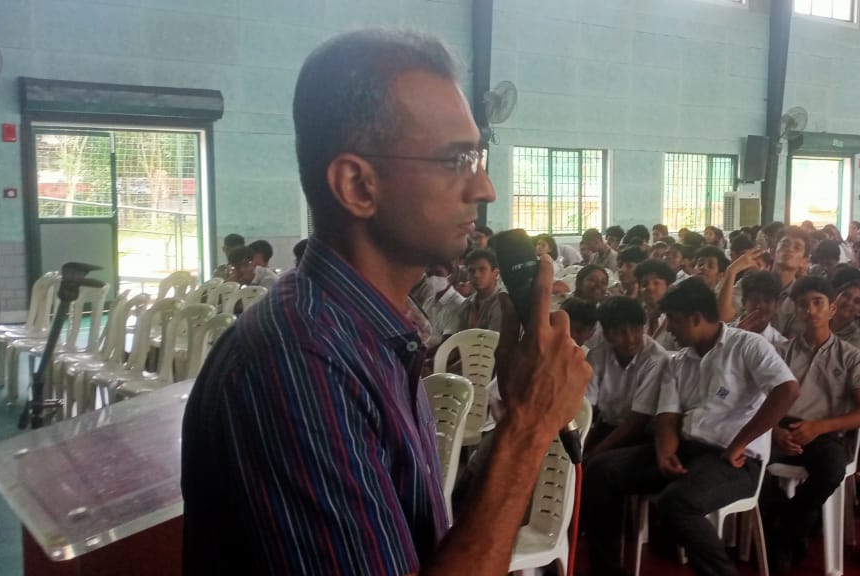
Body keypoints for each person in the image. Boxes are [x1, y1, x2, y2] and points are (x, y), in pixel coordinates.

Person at [182, 29, 590, 576]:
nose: (485, 188)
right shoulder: (301, 363)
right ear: (358, 185)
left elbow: (434, 541)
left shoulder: (373, 333)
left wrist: (518, 411)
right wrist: (528, 431)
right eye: (457, 160)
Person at [583, 278, 800, 576]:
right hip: (688, 449)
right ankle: (606, 569)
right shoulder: (678, 361)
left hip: (734, 459)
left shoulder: (747, 345)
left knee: (677, 503)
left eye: (673, 320)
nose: (668, 328)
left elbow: (786, 390)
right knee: (600, 471)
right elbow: (668, 415)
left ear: (696, 318)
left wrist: (740, 442)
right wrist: (665, 452)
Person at [763, 276, 860, 575]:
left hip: (823, 430)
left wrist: (818, 427)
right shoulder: (780, 352)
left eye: (818, 303)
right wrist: (774, 431)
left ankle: (786, 531)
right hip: (779, 426)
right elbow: (760, 403)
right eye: (803, 305)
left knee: (832, 467)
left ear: (832, 309)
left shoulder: (850, 356)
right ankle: (790, 526)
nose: (810, 310)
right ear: (796, 311)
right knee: (744, 464)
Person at [584, 296, 668, 458]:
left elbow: (637, 421)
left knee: (598, 465)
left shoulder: (655, 359)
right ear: (607, 334)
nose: (630, 339)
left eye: (636, 329)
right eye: (619, 332)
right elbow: (588, 408)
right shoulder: (597, 356)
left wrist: (593, 453)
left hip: (639, 435)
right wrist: (580, 446)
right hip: (604, 426)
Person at [459, 248, 513, 333]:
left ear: (495, 273)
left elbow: (495, 341)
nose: (476, 275)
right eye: (471, 271)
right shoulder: (466, 304)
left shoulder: (503, 303)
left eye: (482, 270)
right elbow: (458, 338)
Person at [635, 258, 679, 350]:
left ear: (668, 286)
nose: (650, 288)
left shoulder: (677, 318)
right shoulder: (635, 317)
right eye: (644, 284)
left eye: (656, 283)